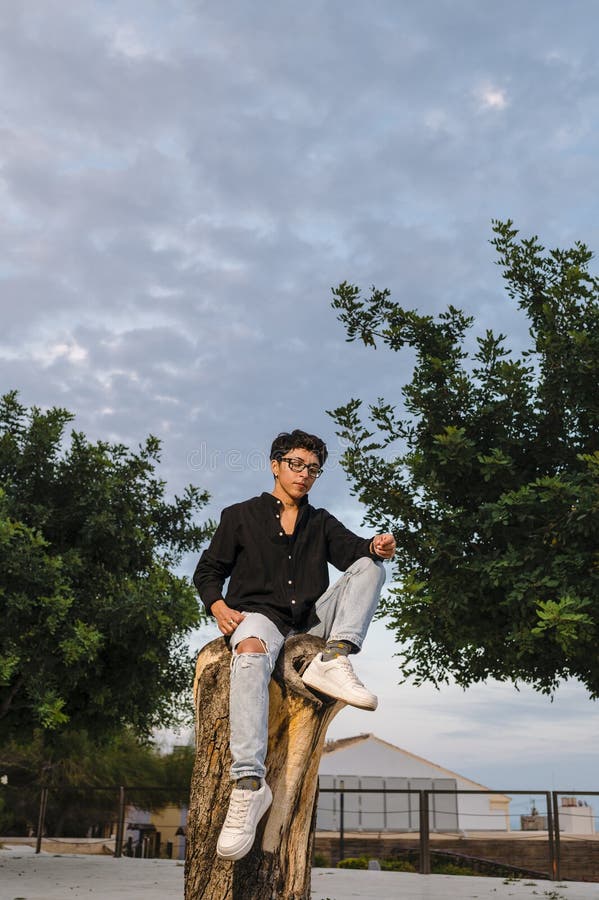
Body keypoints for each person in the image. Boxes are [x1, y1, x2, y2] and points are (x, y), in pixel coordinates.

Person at [193, 429, 396, 861]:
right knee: (248, 655)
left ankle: (335, 657)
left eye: (313, 469)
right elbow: (209, 570)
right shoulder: (239, 516)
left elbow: (356, 552)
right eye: (296, 465)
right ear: (275, 465)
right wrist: (217, 605)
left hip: (311, 623)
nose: (304, 475)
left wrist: (377, 546)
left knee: (370, 569)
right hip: (260, 617)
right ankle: (249, 786)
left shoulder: (320, 522)